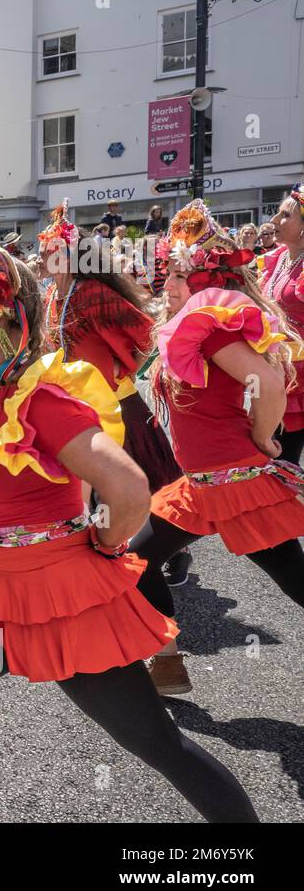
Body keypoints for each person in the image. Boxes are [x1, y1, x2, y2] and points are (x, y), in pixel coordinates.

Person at [0, 198, 258, 825]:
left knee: (157, 745)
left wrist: (106, 547)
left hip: (61, 600)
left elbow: (130, 489)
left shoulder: (41, 396)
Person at [129, 200, 304, 695]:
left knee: (296, 581)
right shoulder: (190, 328)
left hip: (235, 483)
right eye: (168, 271)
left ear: (202, 283)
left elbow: (268, 386)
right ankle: (167, 665)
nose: (167, 282)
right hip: (200, 485)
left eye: (176, 274)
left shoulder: (208, 331)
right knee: (135, 559)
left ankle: (166, 666)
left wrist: (263, 440)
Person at [39, 199, 187, 596]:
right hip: (75, 407)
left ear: (67, 257)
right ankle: (110, 560)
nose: (40, 256)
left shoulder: (90, 294)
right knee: (94, 488)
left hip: (116, 406)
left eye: (48, 251)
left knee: (139, 487)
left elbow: (145, 332)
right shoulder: (54, 297)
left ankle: (165, 553)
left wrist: (128, 367)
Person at [263, 185, 304, 465]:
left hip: (300, 380)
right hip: (277, 375)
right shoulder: (277, 259)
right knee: (276, 462)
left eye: (285, 215)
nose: (275, 221)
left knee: (284, 461)